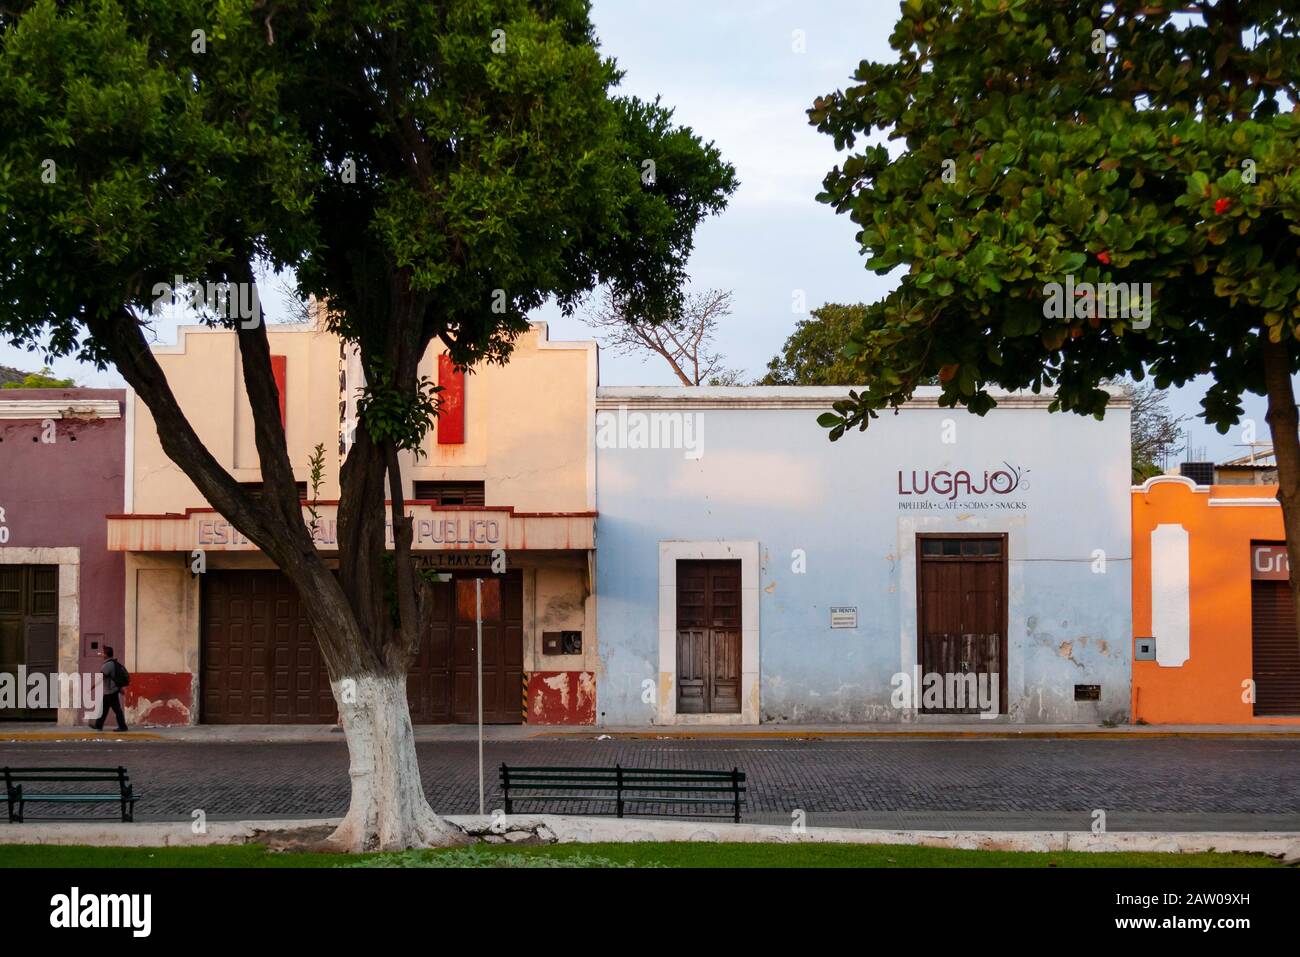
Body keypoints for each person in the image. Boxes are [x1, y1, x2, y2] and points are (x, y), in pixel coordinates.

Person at [90, 646, 129, 732]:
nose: (102, 654)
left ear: (106, 655)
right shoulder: (113, 663)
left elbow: (101, 677)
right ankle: (98, 725)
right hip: (111, 691)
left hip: (111, 691)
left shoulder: (107, 665)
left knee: (117, 709)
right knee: (104, 709)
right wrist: (120, 689)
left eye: (103, 653)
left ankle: (123, 727)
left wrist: (92, 686)